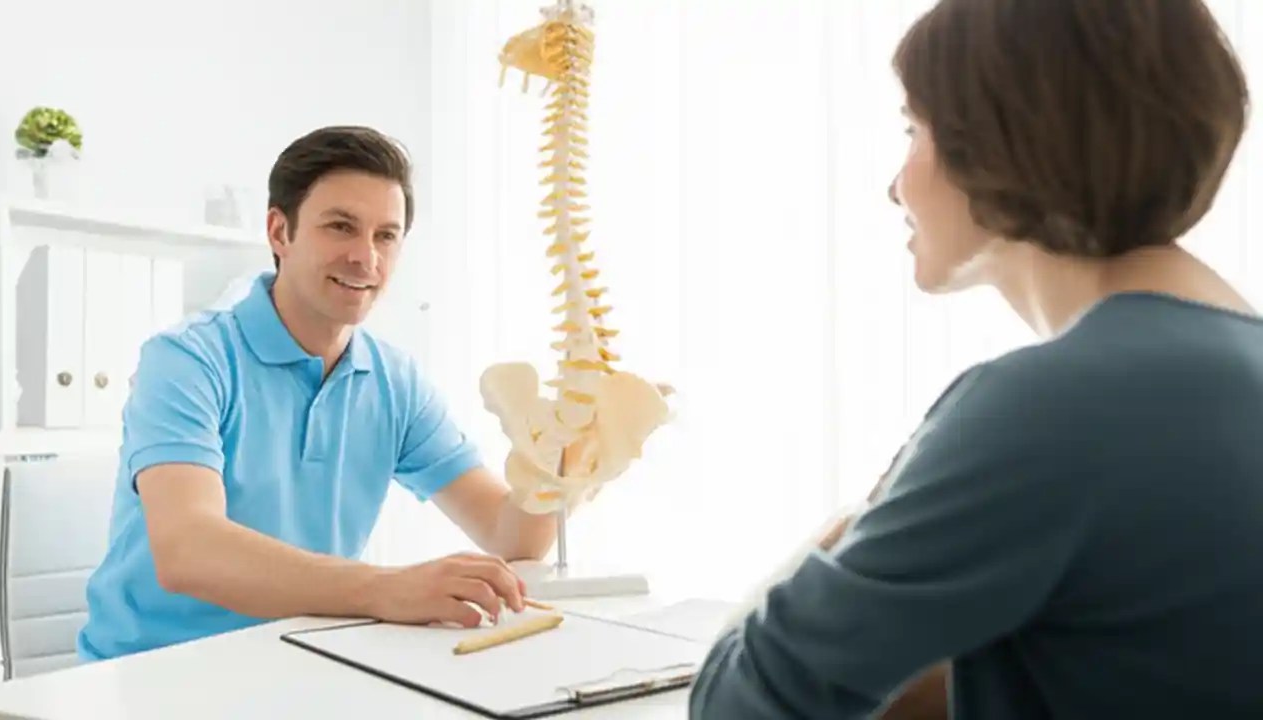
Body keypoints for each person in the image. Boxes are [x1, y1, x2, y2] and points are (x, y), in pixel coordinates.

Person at [690, 0, 1263, 718]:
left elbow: (740, 702)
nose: (894, 186)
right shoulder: (1233, 368)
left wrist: (865, 515)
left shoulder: (1050, 407)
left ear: (995, 139)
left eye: (913, 130)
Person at [77, 126, 572, 660]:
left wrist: (563, 457)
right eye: (341, 227)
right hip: (152, 674)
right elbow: (188, 550)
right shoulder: (187, 360)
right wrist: (387, 588)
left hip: (300, 661)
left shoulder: (394, 381)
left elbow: (510, 536)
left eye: (386, 236)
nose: (366, 258)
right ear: (279, 232)